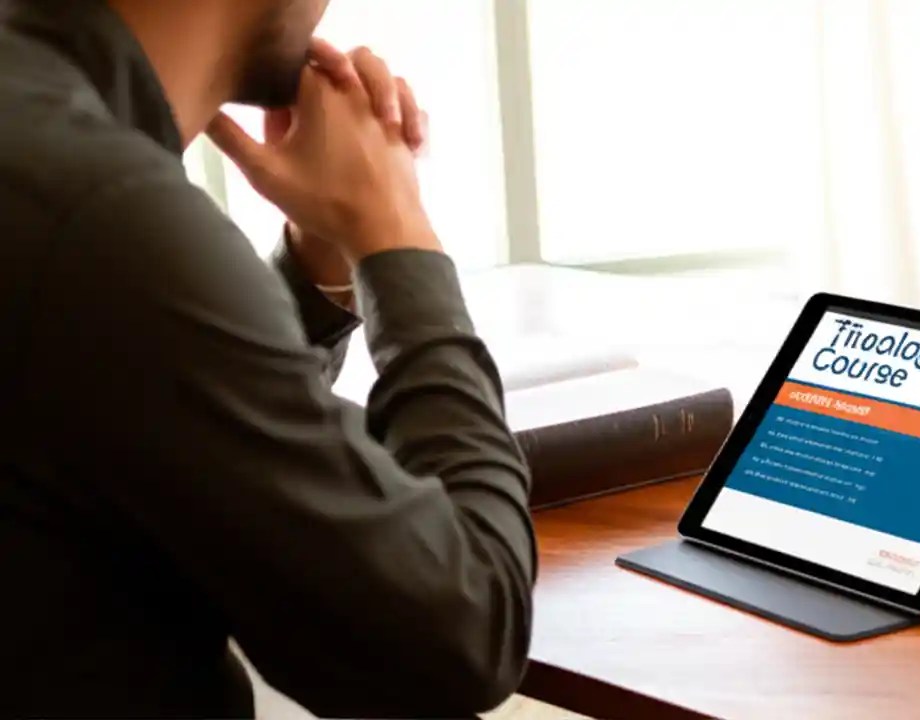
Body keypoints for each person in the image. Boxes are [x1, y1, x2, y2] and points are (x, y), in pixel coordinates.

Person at [0, 0, 536, 716]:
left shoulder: (38, 146)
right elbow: (466, 632)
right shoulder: (103, 214)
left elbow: (161, 433)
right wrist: (396, 239)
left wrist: (322, 263)